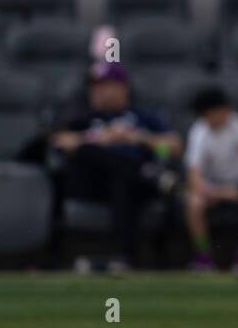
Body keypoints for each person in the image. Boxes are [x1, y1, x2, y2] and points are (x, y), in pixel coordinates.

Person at [50, 63, 182, 266]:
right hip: (93, 184)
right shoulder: (86, 118)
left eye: (105, 86)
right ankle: (149, 175)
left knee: (121, 180)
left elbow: (173, 147)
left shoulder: (142, 117)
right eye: (95, 87)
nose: (98, 92)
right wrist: (97, 137)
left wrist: (138, 138)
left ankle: (123, 258)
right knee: (89, 151)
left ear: (123, 88)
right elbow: (59, 142)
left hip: (133, 189)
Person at [184, 87, 238, 271]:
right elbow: (193, 176)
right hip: (213, 188)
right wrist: (219, 193)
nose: (226, 114)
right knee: (193, 204)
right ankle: (203, 255)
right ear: (207, 114)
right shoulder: (199, 132)